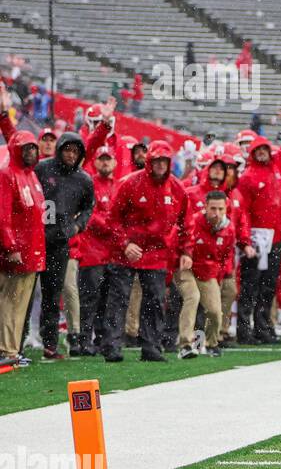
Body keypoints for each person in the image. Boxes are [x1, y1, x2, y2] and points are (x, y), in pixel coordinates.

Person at [101, 141, 192, 363]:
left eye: (164, 161)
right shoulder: (130, 183)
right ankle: (112, 345)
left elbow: (186, 223)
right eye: (157, 160)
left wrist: (186, 251)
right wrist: (125, 244)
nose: (160, 165)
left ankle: (151, 346)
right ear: (149, 161)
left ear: (170, 163)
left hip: (157, 254)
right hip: (126, 252)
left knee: (155, 300)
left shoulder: (177, 189)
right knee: (119, 299)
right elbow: (112, 219)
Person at [235, 108, 281, 344]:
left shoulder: (277, 165)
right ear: (253, 152)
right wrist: (245, 241)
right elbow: (241, 211)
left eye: (265, 149)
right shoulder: (247, 178)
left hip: (275, 239)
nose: (262, 153)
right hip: (256, 240)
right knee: (250, 286)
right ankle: (245, 331)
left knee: (268, 286)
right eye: (258, 150)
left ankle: (263, 328)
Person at [33, 131, 95, 359]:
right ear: (59, 150)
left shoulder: (84, 179)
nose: (71, 154)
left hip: (59, 244)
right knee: (26, 294)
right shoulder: (42, 169)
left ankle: (50, 344)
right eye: (67, 150)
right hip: (35, 239)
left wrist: (78, 225)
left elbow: (89, 206)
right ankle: (16, 344)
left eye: (75, 151)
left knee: (52, 295)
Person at [0, 130, 45, 368]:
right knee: (10, 302)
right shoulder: (7, 175)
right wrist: (11, 246)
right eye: (26, 148)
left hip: (32, 252)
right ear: (16, 150)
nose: (30, 152)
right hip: (18, 253)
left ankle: (12, 350)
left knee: (19, 306)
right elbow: (3, 215)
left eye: (33, 148)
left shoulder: (31, 176)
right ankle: (6, 349)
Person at [73, 146, 120, 358]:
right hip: (91, 252)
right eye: (101, 159)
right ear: (95, 162)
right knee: (89, 299)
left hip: (111, 252)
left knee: (107, 300)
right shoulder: (88, 184)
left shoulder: (119, 186)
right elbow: (89, 216)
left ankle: (102, 339)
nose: (104, 162)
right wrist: (113, 227)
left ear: (115, 162)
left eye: (108, 159)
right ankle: (83, 340)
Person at [177, 190, 236, 358]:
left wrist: (219, 274)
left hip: (208, 271)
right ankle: (186, 345)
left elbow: (226, 256)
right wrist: (185, 254)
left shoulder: (229, 229)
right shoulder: (193, 222)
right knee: (192, 297)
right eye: (213, 209)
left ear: (226, 209)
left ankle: (211, 343)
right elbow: (181, 241)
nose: (216, 213)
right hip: (187, 268)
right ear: (205, 207)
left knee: (215, 312)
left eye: (220, 209)